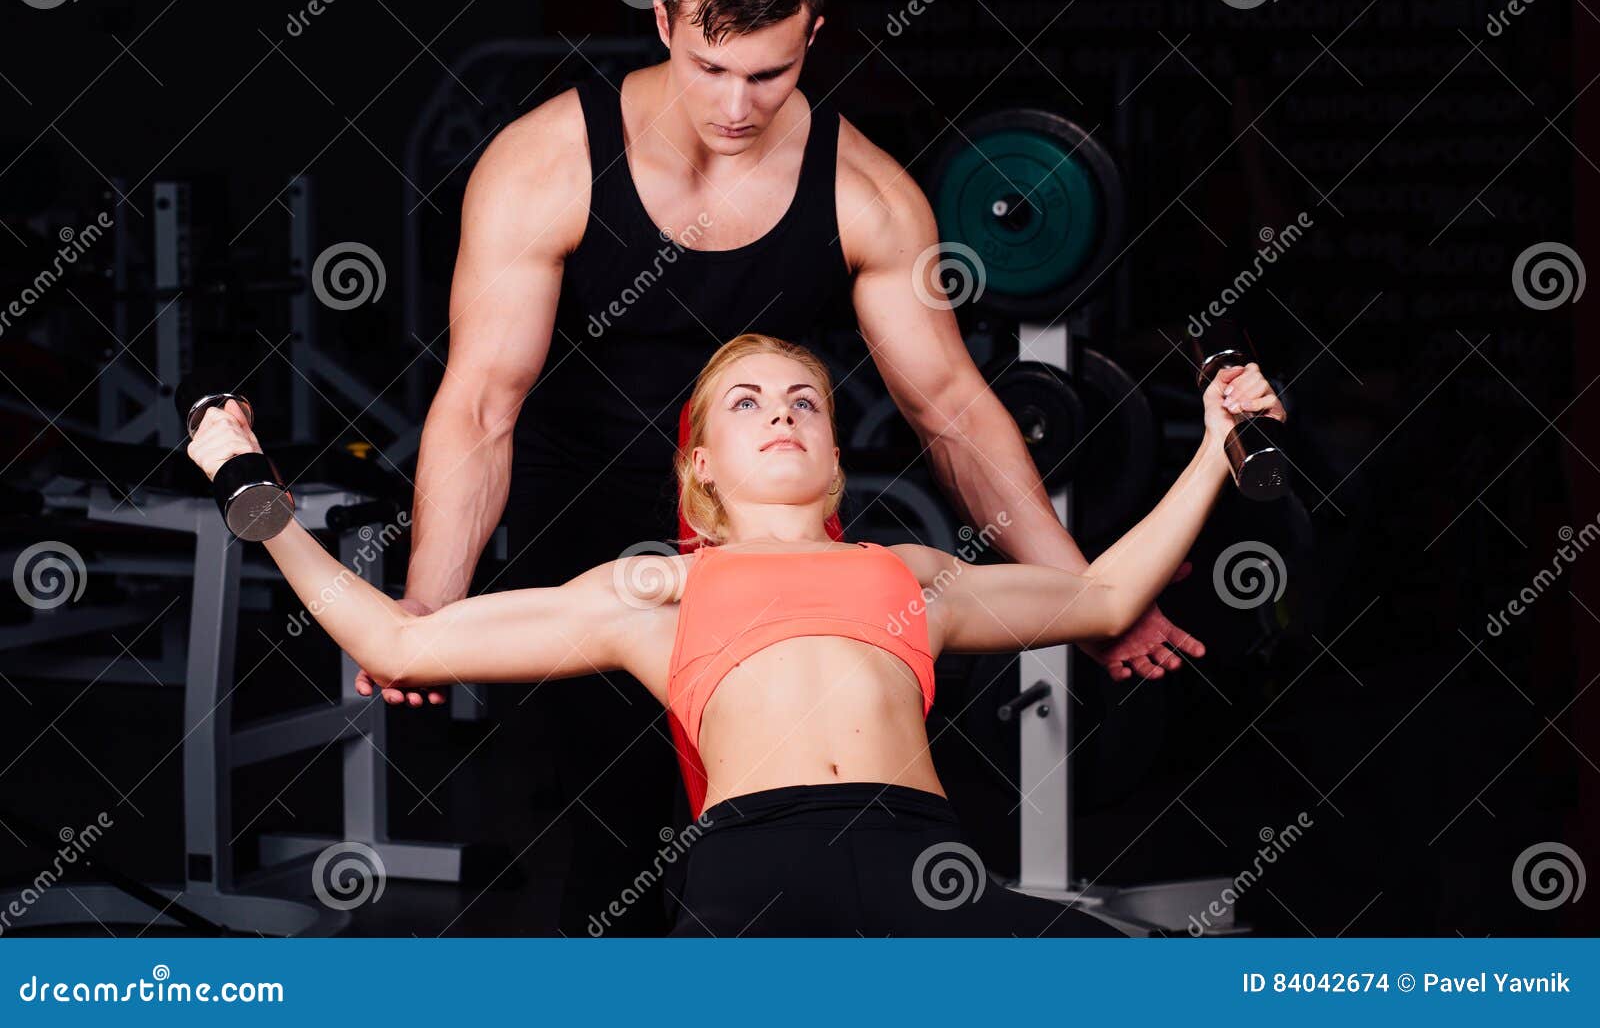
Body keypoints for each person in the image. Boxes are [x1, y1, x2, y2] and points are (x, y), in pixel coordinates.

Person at [378, 0, 1209, 936]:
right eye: (711, 67)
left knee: (815, 828)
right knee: (616, 838)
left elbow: (948, 405)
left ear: (813, 36)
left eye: (768, 74)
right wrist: (425, 605)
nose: (735, 105)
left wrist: (1081, 595)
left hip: (773, 535)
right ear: (666, 20)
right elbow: (481, 405)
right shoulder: (544, 163)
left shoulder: (864, 190)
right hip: (592, 517)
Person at [185, 332, 1285, 937]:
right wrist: (250, 484)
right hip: (751, 868)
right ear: (699, 461)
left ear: (835, 457)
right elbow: (402, 641)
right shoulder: (652, 585)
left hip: (925, 860)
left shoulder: (908, 572)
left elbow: (1096, 596)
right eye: (749, 402)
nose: (784, 414)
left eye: (804, 400)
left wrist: (1213, 442)